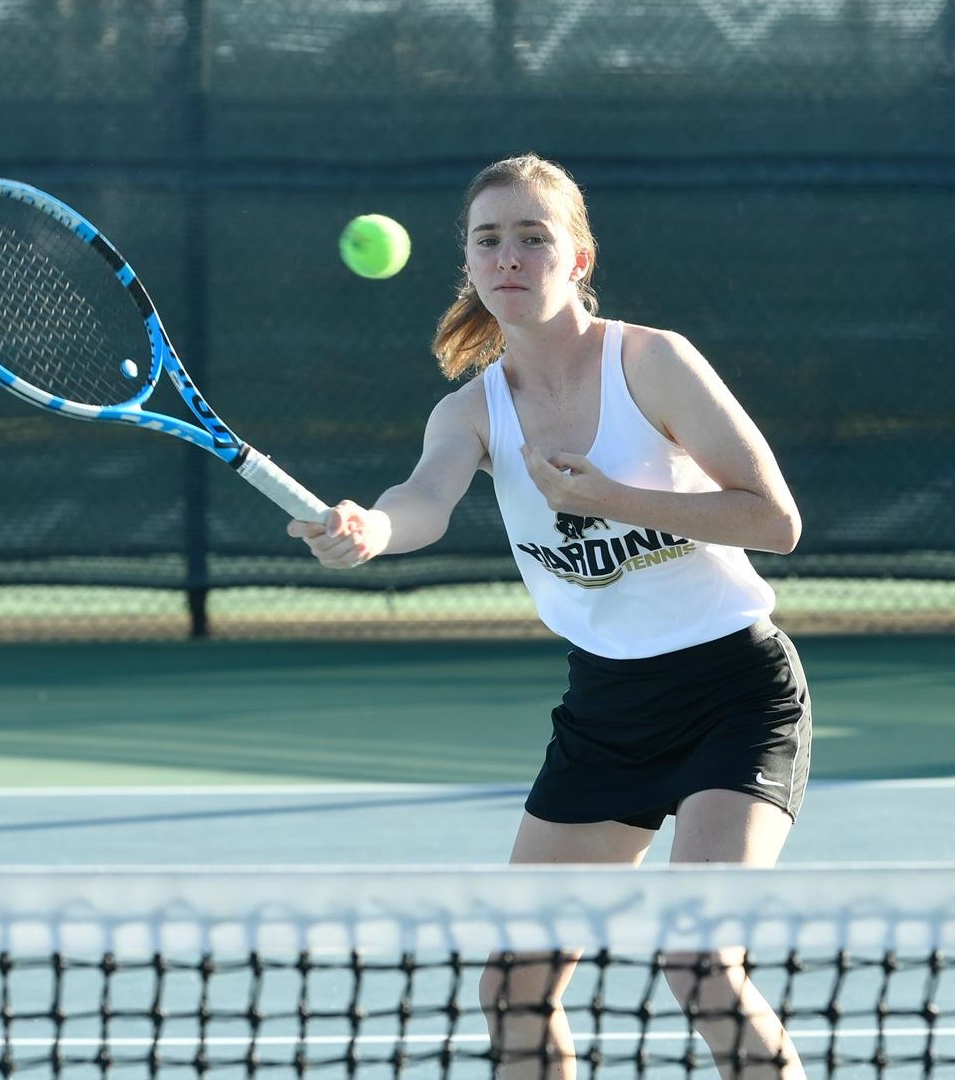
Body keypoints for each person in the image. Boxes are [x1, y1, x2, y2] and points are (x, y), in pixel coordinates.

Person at [288, 153, 811, 1080]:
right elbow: (425, 499)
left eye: (534, 236)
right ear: (470, 265)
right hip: (607, 712)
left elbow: (774, 519)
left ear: (577, 259)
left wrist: (617, 496)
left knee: (698, 964)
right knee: (516, 986)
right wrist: (371, 528)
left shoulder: (652, 361)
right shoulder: (472, 411)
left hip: (736, 692)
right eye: (489, 240)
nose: (509, 256)